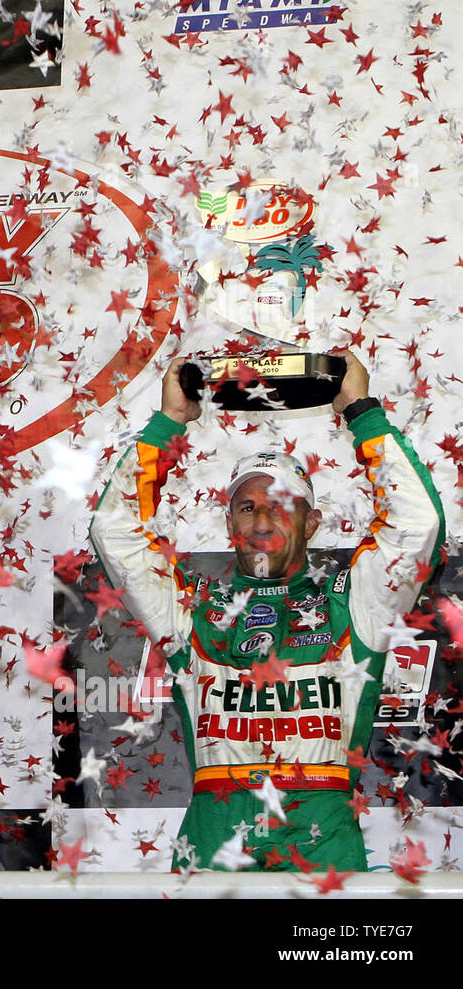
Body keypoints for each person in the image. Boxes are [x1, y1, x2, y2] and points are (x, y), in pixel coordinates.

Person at [89, 353, 445, 871]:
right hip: (215, 849)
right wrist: (169, 425)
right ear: (229, 521)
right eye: (247, 507)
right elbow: (113, 532)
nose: (261, 521)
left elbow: (418, 527)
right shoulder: (192, 608)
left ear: (313, 521)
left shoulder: (353, 602)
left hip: (322, 851)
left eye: (280, 505)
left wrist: (362, 412)